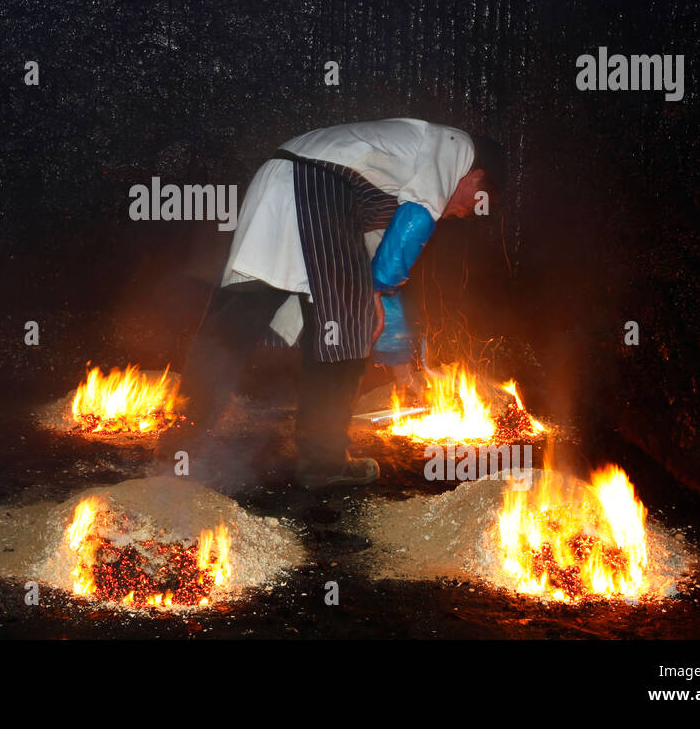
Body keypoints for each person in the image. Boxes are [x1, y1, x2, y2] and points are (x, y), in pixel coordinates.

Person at [156, 118, 504, 488]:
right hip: (322, 190)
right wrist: (368, 297)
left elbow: (377, 272)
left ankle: (179, 447)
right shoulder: (455, 146)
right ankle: (323, 463)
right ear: (475, 176)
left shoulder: (388, 184)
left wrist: (399, 360)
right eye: (473, 203)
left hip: (280, 182)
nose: (461, 214)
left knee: (233, 324)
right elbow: (414, 224)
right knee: (345, 330)